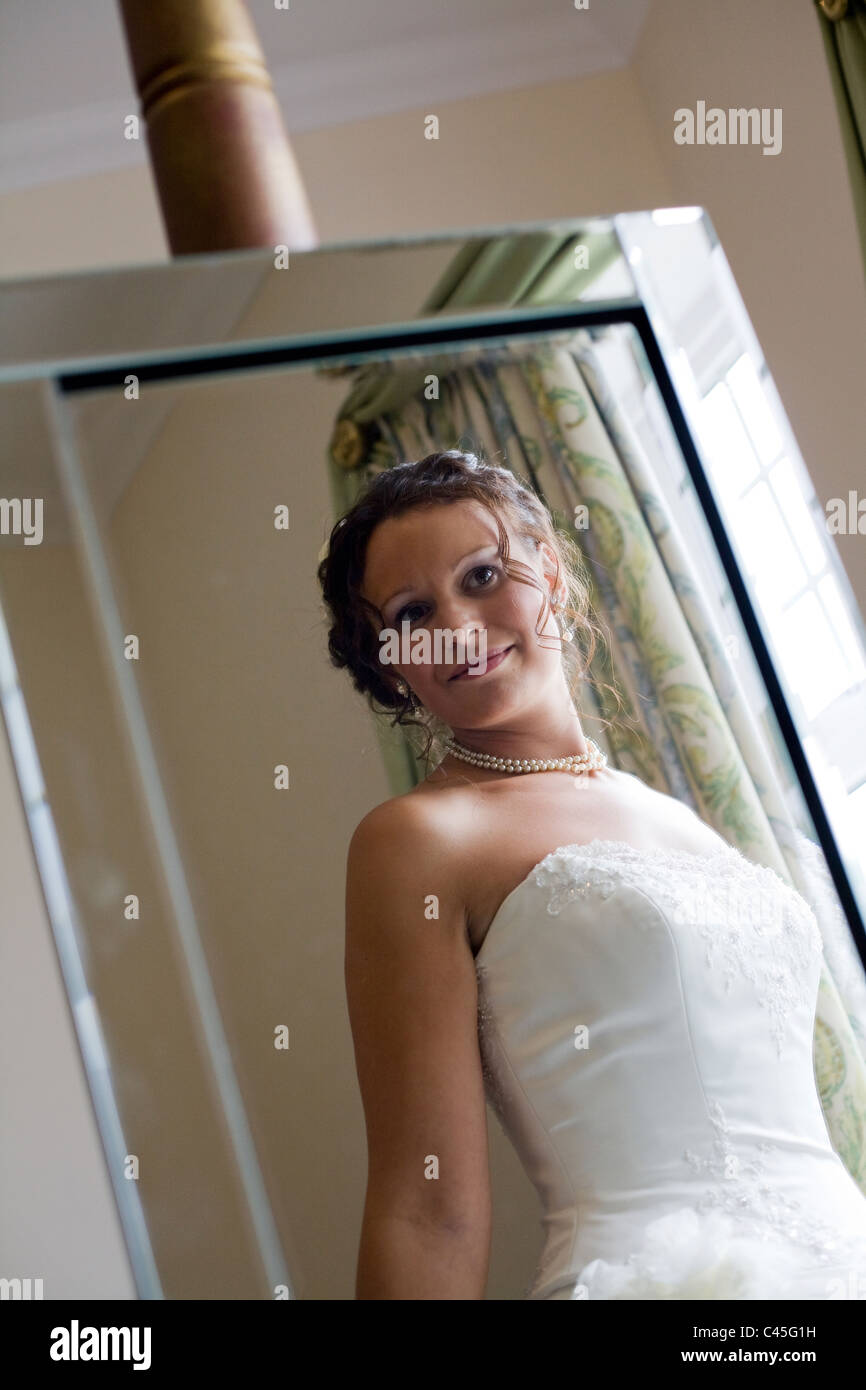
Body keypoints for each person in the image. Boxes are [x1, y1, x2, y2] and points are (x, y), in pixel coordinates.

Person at [317, 448, 866, 1300]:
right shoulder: (419, 840)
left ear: (550, 573)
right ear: (391, 662)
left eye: (483, 575)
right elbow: (426, 1211)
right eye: (414, 611)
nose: (457, 624)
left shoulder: (671, 814)